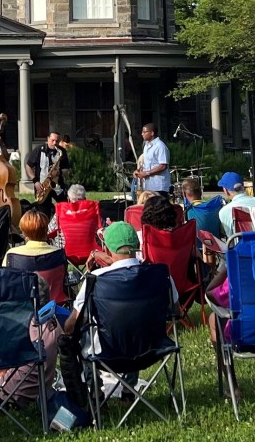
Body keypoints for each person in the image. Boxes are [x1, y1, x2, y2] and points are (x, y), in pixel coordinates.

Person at [59, 221, 170, 410]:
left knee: (79, 335)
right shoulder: (160, 274)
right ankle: (128, 390)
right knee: (135, 325)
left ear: (107, 248)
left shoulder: (96, 280)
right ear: (137, 246)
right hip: (152, 348)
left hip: (108, 354)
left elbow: (72, 325)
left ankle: (96, 394)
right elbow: (174, 308)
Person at [217, 172, 255, 239]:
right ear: (243, 187)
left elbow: (231, 240)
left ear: (226, 191)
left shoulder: (224, 211)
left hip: (241, 248)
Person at [24, 132, 69, 205]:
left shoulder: (62, 151)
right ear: (48, 139)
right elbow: (28, 166)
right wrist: (35, 181)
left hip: (57, 186)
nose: (55, 143)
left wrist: (59, 173)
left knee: (65, 206)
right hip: (42, 186)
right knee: (43, 212)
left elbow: (67, 169)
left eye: (57, 141)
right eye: (52, 140)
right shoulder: (38, 150)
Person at [134, 122, 170, 194]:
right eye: (142, 132)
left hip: (159, 186)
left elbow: (163, 166)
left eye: (144, 132)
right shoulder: (146, 146)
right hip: (148, 186)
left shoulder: (160, 146)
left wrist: (147, 173)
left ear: (152, 133)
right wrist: (138, 170)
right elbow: (147, 163)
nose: (142, 134)